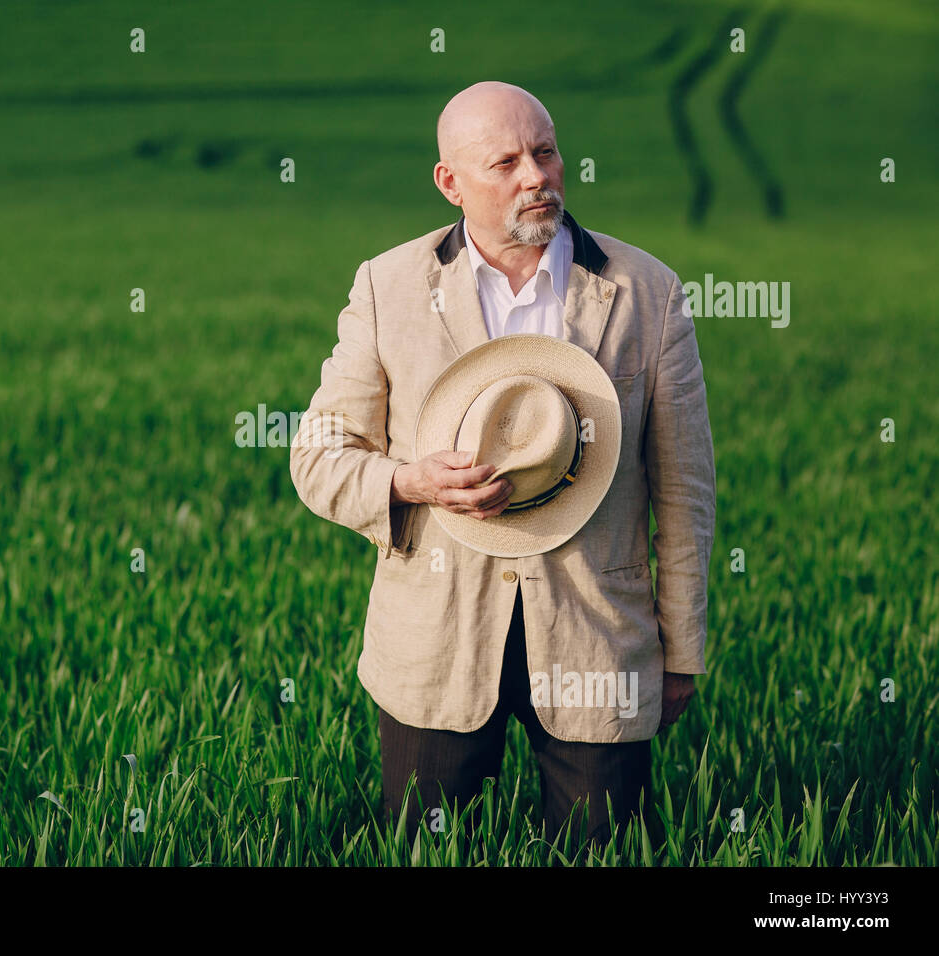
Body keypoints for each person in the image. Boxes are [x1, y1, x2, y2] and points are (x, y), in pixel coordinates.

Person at [289, 81, 716, 850]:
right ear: (450, 182)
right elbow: (317, 453)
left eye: (546, 153)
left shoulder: (647, 292)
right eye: (507, 162)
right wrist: (410, 480)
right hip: (433, 645)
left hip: (598, 639)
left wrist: (680, 650)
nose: (536, 177)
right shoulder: (388, 286)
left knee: (604, 853)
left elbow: (685, 491)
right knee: (429, 854)